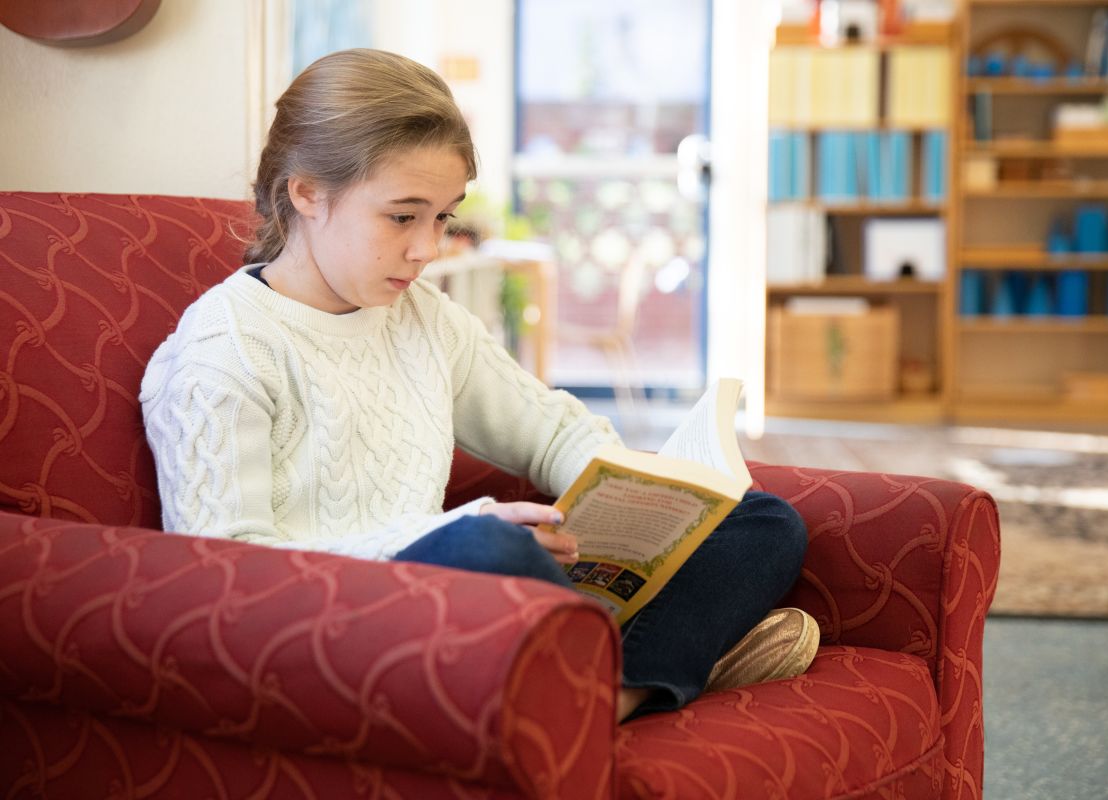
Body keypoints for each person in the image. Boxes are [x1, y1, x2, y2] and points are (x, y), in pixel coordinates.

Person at [139, 48, 813, 722]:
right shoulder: (222, 351)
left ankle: (610, 695)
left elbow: (550, 429)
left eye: (443, 218)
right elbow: (223, 572)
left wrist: (644, 493)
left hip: (472, 607)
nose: (428, 248)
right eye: (403, 216)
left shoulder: (422, 318)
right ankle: (659, 664)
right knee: (487, 545)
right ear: (307, 192)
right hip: (335, 631)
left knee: (763, 522)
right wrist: (455, 531)